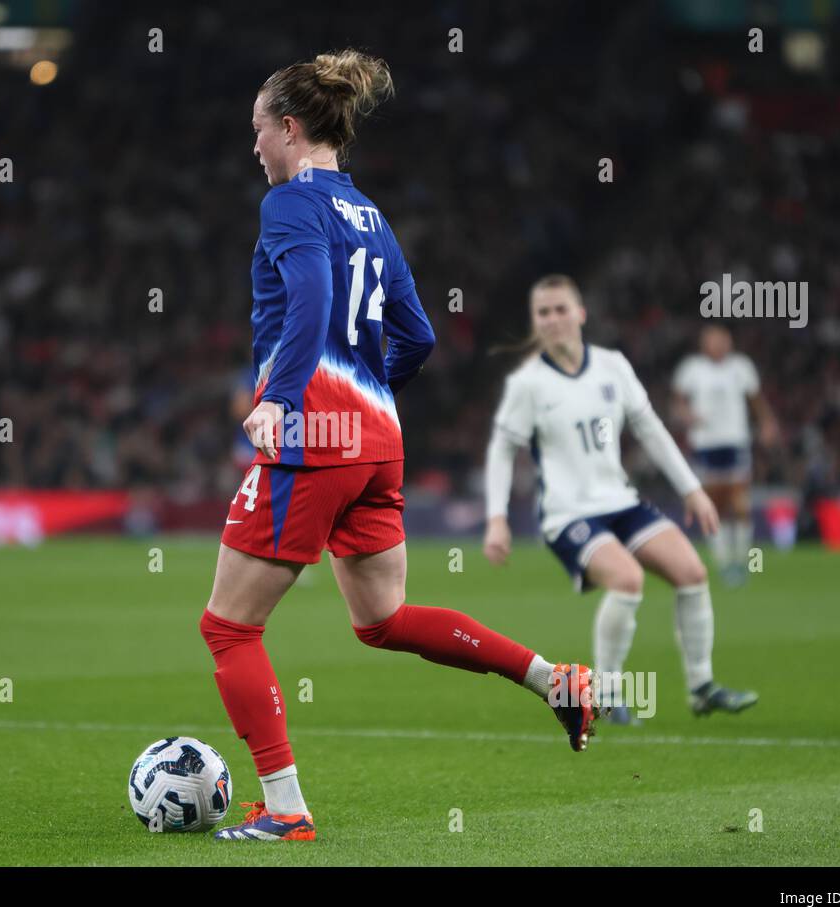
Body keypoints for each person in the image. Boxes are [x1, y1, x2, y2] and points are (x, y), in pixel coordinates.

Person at [201, 51, 598, 843]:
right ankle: (555, 680)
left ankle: (285, 809)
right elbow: (417, 335)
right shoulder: (371, 214)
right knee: (380, 619)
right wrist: (368, 397)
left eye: (256, 131)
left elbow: (310, 296)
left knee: (229, 629)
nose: (252, 149)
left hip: (313, 438)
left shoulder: (289, 205)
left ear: (288, 128)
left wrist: (284, 400)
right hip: (377, 442)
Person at [483, 275, 758, 726]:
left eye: (560, 309)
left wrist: (691, 488)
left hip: (620, 500)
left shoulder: (612, 365)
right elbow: (501, 449)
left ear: (580, 313)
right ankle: (606, 694)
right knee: (628, 579)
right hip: (567, 513)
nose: (552, 319)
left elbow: (649, 427)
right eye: (542, 313)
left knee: (692, 572)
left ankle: (702, 687)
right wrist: (496, 518)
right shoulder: (528, 384)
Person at [671, 324, 780, 586]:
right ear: (704, 344)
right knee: (715, 506)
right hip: (706, 443)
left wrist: (767, 422)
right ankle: (724, 564)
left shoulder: (741, 367)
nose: (719, 345)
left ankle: (745, 563)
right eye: (713, 340)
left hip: (736, 441)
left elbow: (755, 399)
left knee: (740, 503)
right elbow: (677, 402)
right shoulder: (692, 368)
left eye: (723, 340)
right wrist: (685, 414)